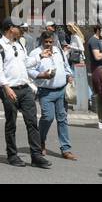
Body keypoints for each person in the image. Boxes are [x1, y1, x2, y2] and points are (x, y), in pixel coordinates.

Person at [0, 20, 49, 168]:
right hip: (10, 89)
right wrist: (6, 88)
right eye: (19, 27)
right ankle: (12, 155)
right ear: (10, 28)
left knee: (32, 122)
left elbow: (25, 63)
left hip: (25, 89)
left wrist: (40, 56)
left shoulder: (19, 44)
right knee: (11, 124)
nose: (21, 29)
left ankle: (36, 156)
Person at [28, 28, 76, 161]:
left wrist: (69, 75)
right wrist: (41, 74)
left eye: (51, 41)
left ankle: (66, 149)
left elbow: (66, 66)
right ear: (42, 41)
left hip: (61, 90)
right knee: (47, 117)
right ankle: (40, 141)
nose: (49, 44)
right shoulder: (36, 53)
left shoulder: (58, 51)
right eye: (46, 42)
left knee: (62, 119)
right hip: (46, 92)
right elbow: (29, 69)